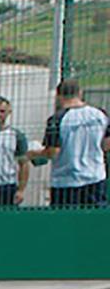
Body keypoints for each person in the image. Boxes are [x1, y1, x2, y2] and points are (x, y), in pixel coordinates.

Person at [32, 78, 109, 209]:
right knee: (94, 221)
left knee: (65, 222)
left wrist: (34, 153)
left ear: (59, 95)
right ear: (80, 93)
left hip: (65, 181)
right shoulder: (99, 115)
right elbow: (107, 145)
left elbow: (53, 152)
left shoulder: (57, 119)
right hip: (95, 177)